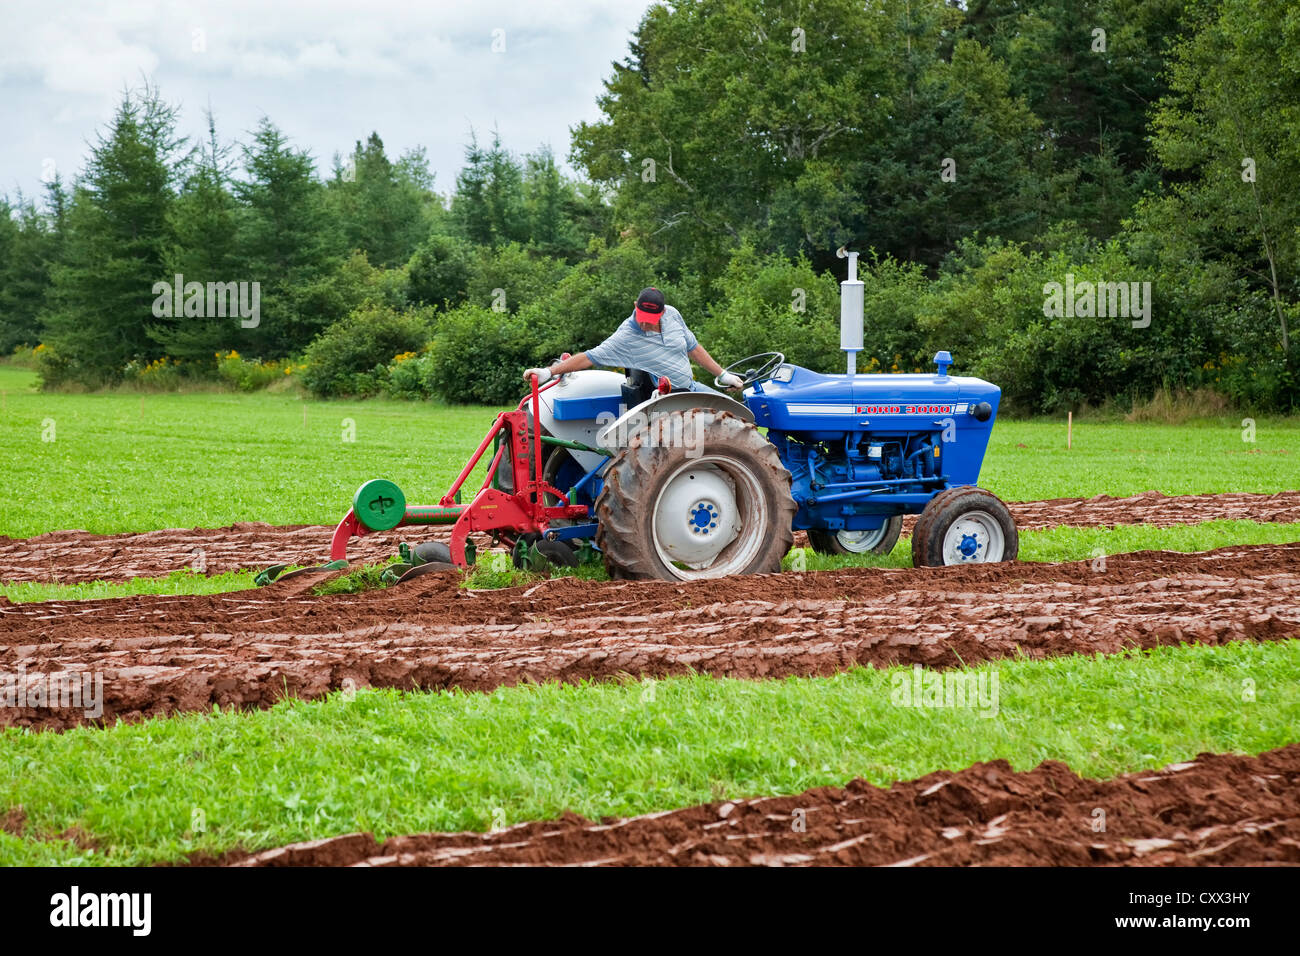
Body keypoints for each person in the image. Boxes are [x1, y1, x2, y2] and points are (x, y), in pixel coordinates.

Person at [523, 287, 743, 392]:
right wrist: (549, 372)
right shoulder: (627, 334)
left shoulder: (673, 315)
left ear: (662, 312)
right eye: (642, 317)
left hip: (691, 388)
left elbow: (693, 348)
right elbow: (589, 357)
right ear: (635, 307)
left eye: (651, 319)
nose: (645, 323)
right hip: (668, 401)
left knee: (736, 417)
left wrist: (723, 375)